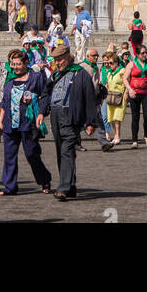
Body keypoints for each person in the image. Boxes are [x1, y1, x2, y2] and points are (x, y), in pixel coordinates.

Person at [45, 43, 99, 201]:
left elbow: (90, 99)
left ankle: (63, 188)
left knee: (67, 150)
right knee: (60, 150)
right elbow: (46, 92)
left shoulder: (80, 74)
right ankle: (71, 186)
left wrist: (90, 122)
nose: (57, 63)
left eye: (60, 60)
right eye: (55, 60)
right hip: (55, 114)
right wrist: (42, 111)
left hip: (71, 115)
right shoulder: (55, 74)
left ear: (68, 57)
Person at [0, 47, 52, 196]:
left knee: (31, 153)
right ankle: (9, 187)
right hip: (10, 123)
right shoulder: (9, 81)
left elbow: (45, 95)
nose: (15, 67)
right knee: (9, 156)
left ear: (26, 63)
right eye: (12, 64)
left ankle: (44, 179)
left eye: (18, 64)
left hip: (28, 123)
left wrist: (39, 109)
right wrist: (0, 121)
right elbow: (4, 102)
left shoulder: (35, 78)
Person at [126, 45, 147, 147]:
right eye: (142, 53)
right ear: (137, 54)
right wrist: (129, 90)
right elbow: (125, 79)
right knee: (135, 116)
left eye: (146, 52)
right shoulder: (131, 64)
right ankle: (135, 140)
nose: (145, 55)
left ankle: (146, 136)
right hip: (134, 93)